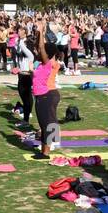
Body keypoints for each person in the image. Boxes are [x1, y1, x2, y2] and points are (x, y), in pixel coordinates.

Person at [31, 21, 63, 158]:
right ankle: (47, 148)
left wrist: (42, 30)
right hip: (44, 95)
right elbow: (38, 47)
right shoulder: (43, 64)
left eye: (40, 51)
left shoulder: (48, 63)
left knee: (47, 124)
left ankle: (46, 152)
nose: (37, 52)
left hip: (47, 95)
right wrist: (38, 33)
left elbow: (41, 47)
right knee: (47, 123)